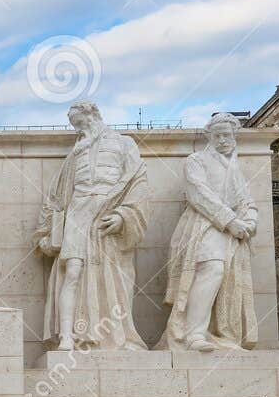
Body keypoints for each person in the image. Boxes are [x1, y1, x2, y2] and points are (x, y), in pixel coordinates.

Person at [34, 101, 149, 351]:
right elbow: (55, 196)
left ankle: (117, 336)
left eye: (81, 123)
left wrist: (123, 216)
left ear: (94, 115)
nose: (79, 130)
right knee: (72, 271)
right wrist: (45, 232)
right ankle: (67, 336)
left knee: (114, 277)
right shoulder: (76, 154)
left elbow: (138, 183)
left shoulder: (124, 143)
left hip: (108, 218)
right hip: (78, 215)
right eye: (76, 126)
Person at [164, 113, 259, 352]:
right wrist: (230, 221)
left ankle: (223, 334)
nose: (223, 140)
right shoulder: (197, 160)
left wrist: (250, 221)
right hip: (204, 225)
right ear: (210, 137)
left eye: (227, 135)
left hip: (233, 232)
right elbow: (199, 194)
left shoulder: (235, 166)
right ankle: (193, 334)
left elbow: (247, 201)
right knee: (211, 269)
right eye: (218, 136)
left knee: (228, 280)